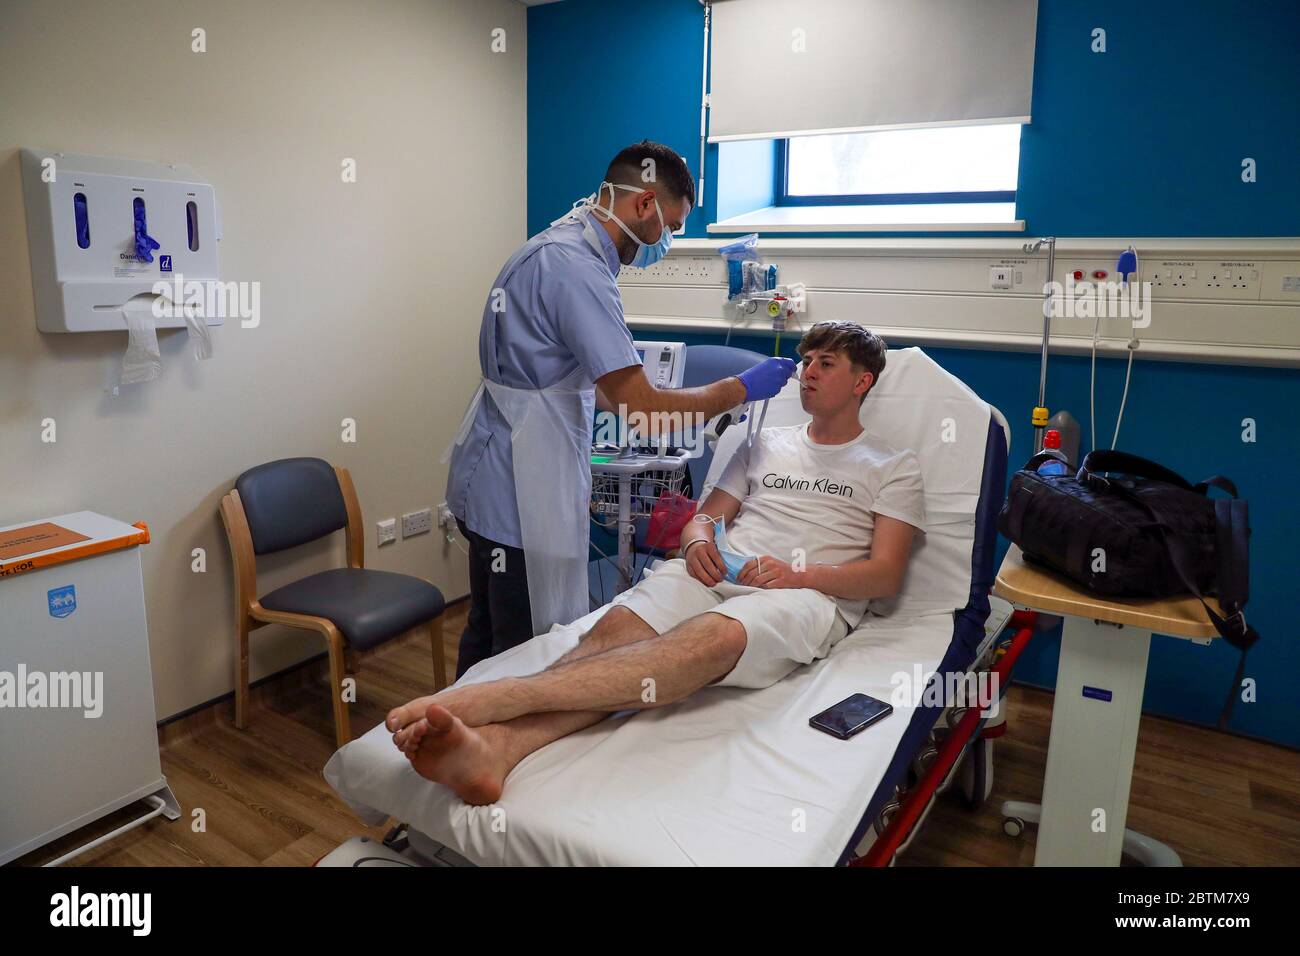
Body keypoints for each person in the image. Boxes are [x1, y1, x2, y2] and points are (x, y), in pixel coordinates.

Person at [394, 322, 925, 805]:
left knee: (706, 642)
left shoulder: (892, 466)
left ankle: (493, 700)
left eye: (825, 364)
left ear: (863, 382)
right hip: (716, 571)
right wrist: (696, 544)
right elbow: (703, 519)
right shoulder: (760, 443)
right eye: (807, 360)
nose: (807, 372)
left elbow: (885, 573)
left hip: (805, 596)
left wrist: (798, 575)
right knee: (613, 633)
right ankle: (498, 750)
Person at [443, 140, 796, 678]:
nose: (666, 241)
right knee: (518, 649)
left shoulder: (548, 246)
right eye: (671, 227)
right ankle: (498, 748)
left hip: (489, 474)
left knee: (487, 628)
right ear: (643, 204)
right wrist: (738, 389)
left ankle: (454, 735)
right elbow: (643, 409)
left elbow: (592, 386)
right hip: (520, 488)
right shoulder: (579, 271)